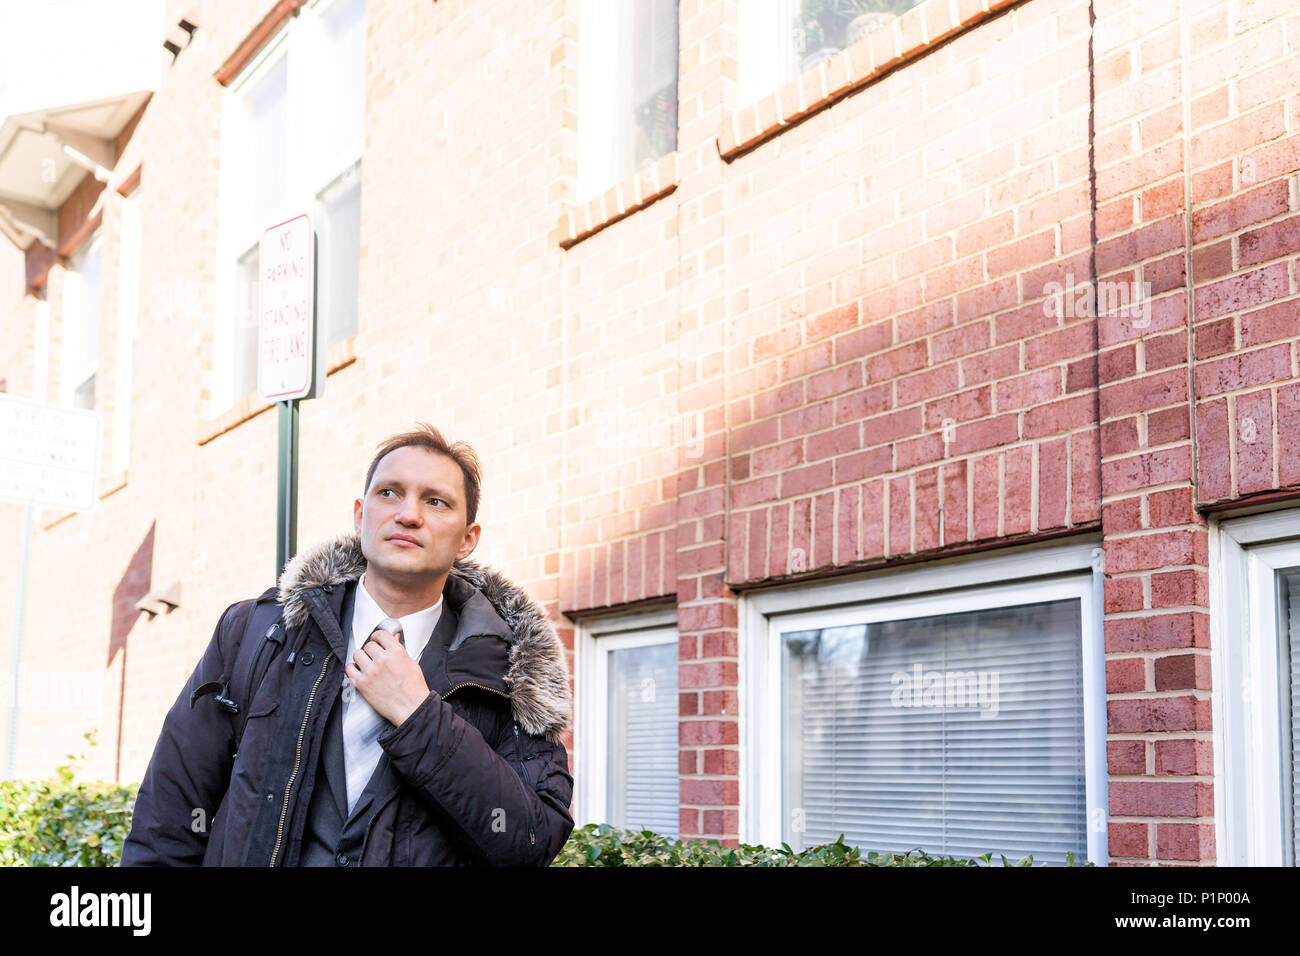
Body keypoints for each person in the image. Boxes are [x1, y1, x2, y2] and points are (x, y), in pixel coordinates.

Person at [121, 423, 574, 866]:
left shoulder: (511, 672)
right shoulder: (257, 632)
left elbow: (528, 842)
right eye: (389, 493)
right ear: (360, 516)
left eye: (436, 502)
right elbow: (170, 819)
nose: (409, 514)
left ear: (467, 540)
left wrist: (419, 718)